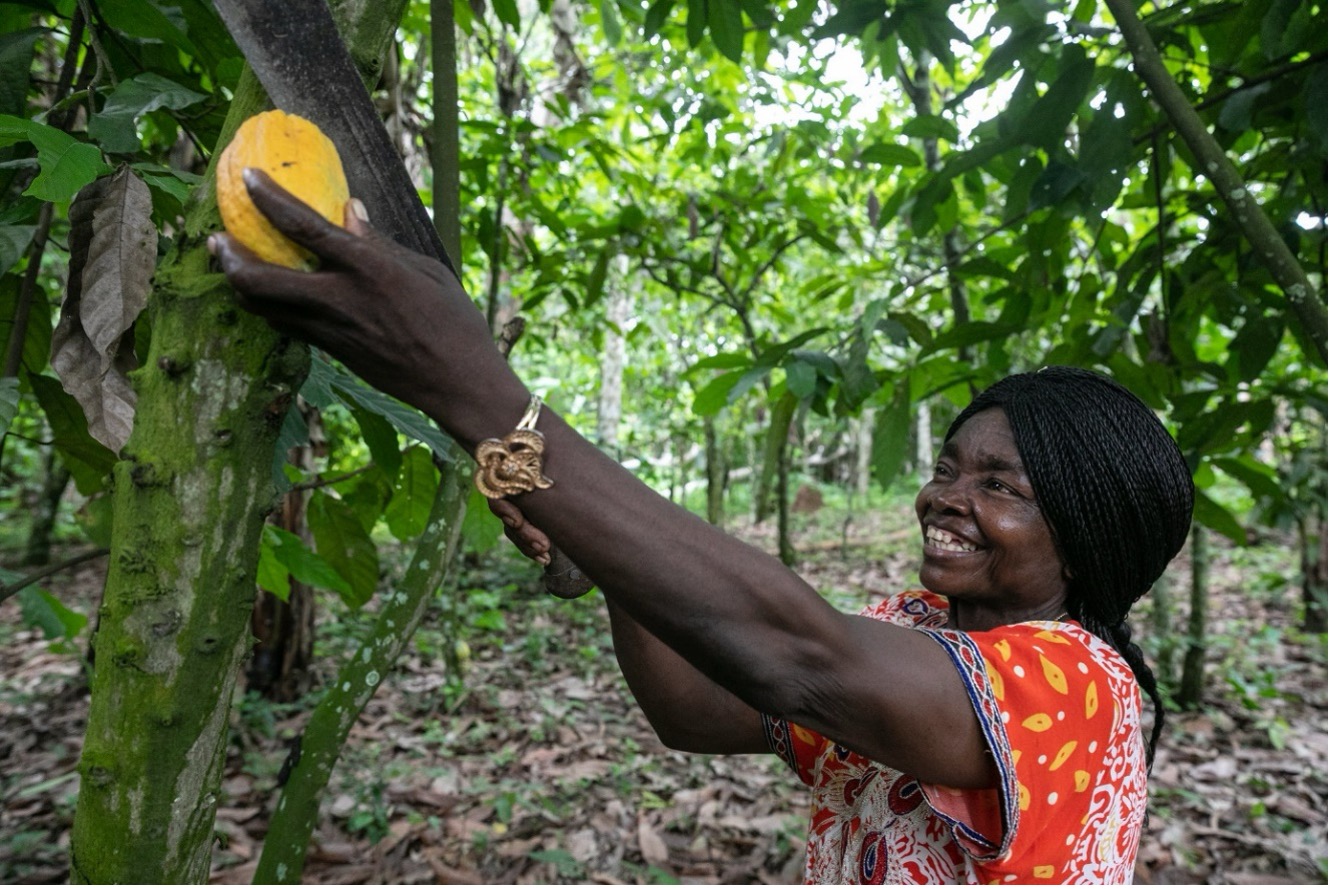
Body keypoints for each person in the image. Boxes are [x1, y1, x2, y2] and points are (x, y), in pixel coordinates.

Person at [212, 170, 1195, 884]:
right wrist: (585, 541)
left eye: (999, 485)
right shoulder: (921, 630)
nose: (947, 497)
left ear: (1087, 534)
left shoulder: (1078, 687)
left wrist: (473, 389)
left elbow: (790, 653)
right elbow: (693, 710)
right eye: (947, 468)